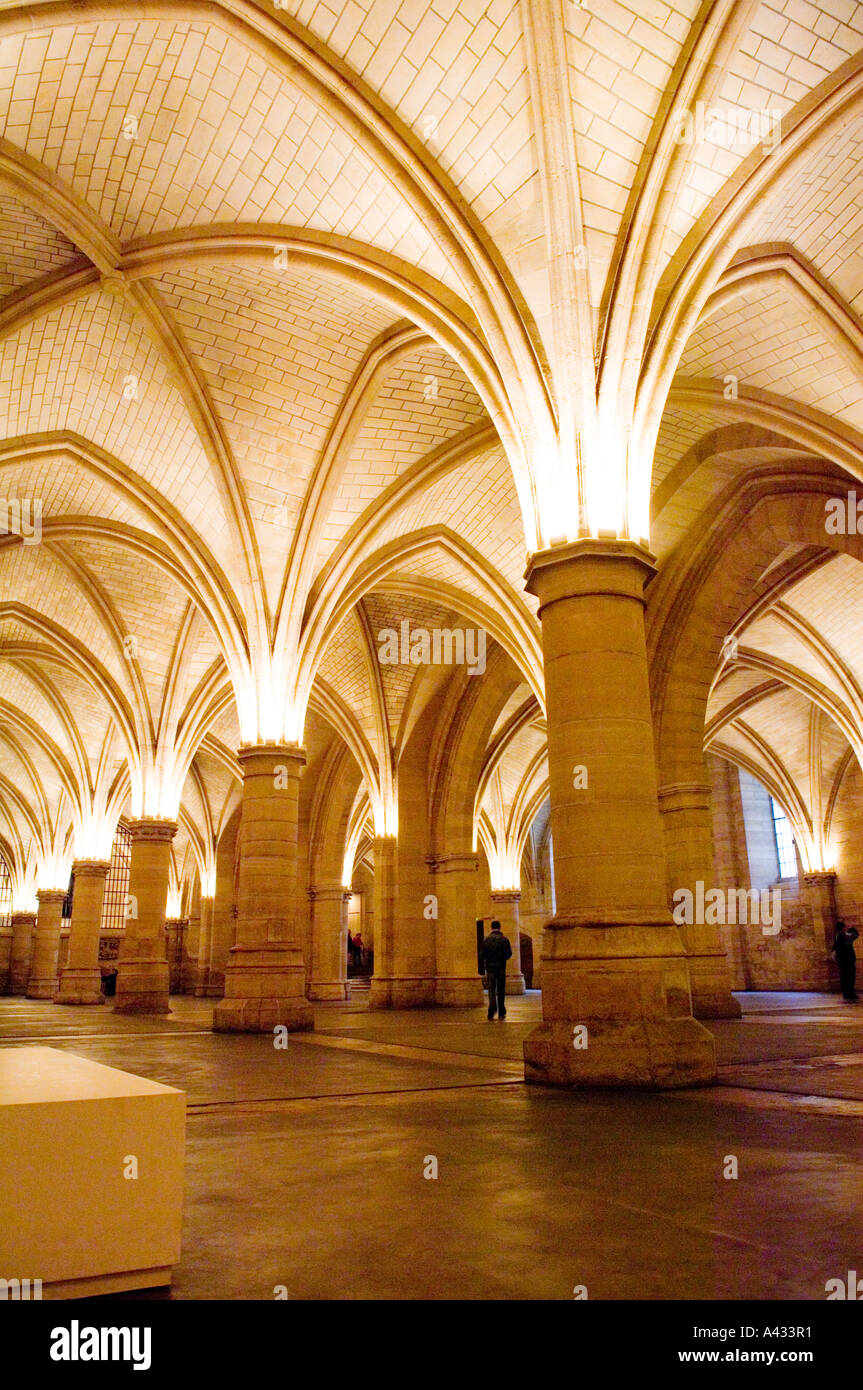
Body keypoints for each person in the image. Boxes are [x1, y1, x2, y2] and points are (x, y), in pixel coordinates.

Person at [480, 919, 512, 1020]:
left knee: (491, 990)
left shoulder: (486, 940)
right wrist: (501, 958)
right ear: (500, 927)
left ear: (491, 927)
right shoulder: (504, 939)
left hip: (490, 968)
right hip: (501, 968)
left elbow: (482, 955)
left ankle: (492, 1009)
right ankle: (501, 1010)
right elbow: (508, 954)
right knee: (501, 990)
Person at [833, 921, 860, 1001]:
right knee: (849, 977)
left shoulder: (837, 936)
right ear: (842, 928)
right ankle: (849, 993)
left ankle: (847, 993)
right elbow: (855, 935)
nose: (846, 929)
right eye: (845, 927)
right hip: (847, 961)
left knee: (845, 977)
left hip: (843, 961)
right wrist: (852, 929)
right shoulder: (842, 936)